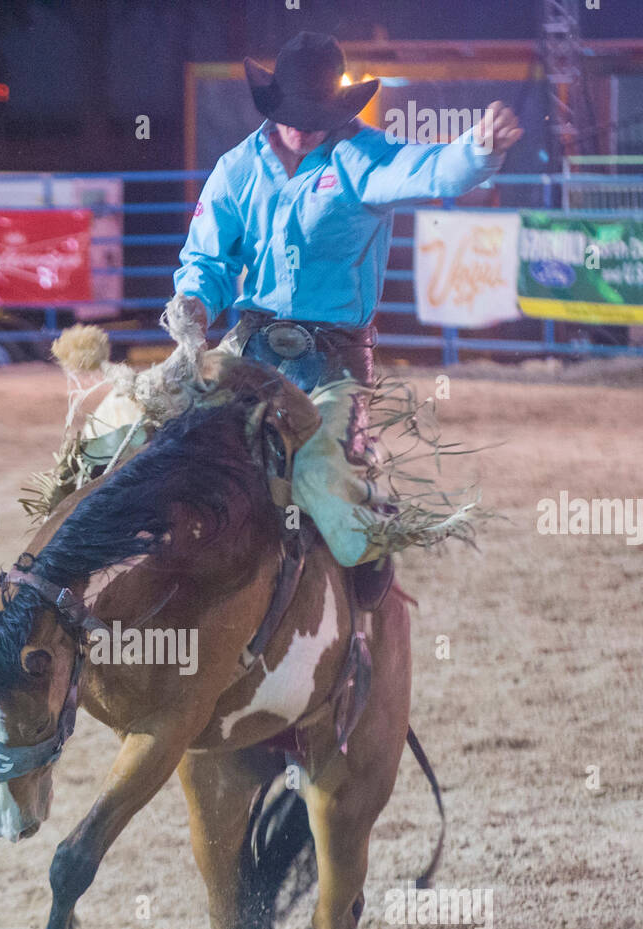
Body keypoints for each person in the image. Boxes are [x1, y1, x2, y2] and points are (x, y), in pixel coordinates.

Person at [172, 31, 523, 571]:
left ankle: (368, 571)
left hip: (334, 360)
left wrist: (478, 148)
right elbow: (207, 261)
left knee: (319, 472)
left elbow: (432, 168)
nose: (301, 128)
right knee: (172, 439)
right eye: (292, 115)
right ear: (273, 106)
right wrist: (194, 301)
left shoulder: (365, 157)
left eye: (314, 118)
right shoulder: (236, 168)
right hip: (251, 345)